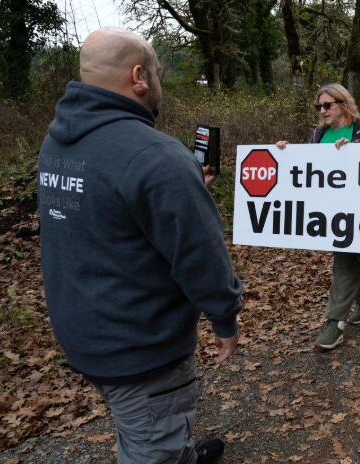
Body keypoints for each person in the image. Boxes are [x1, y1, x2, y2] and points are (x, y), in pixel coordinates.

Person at [37, 28, 242, 463]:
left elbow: (106, 215)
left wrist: (183, 187)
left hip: (85, 335)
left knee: (139, 424)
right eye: (158, 74)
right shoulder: (158, 157)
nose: (159, 84)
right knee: (152, 444)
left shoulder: (57, 142)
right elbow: (200, 256)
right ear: (139, 77)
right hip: (141, 349)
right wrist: (225, 318)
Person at [276, 83, 360, 350]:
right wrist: (285, 154)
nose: (322, 111)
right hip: (328, 215)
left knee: (345, 261)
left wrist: (354, 148)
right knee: (348, 259)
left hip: (358, 214)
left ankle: (334, 323)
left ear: (343, 104)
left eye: (327, 105)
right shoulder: (318, 134)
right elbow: (308, 170)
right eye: (319, 106)